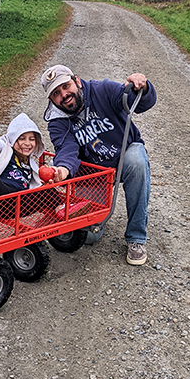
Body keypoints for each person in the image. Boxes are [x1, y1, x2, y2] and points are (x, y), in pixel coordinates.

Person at [41, 65, 156, 265]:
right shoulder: (57, 121)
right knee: (89, 237)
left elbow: (138, 102)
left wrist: (142, 88)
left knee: (137, 161)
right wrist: (63, 169)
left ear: (76, 81)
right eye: (57, 94)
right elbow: (67, 149)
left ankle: (136, 238)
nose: (64, 95)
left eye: (66, 86)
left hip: (124, 159)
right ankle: (104, 208)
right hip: (94, 174)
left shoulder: (102, 90)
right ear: (51, 100)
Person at [0, 104, 89, 245]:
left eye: (31, 139)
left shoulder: (32, 164)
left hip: (19, 205)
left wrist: (53, 174)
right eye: (22, 138)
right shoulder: (3, 151)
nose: (27, 143)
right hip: (0, 200)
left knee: (45, 190)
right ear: (13, 139)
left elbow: (40, 182)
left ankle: (62, 209)